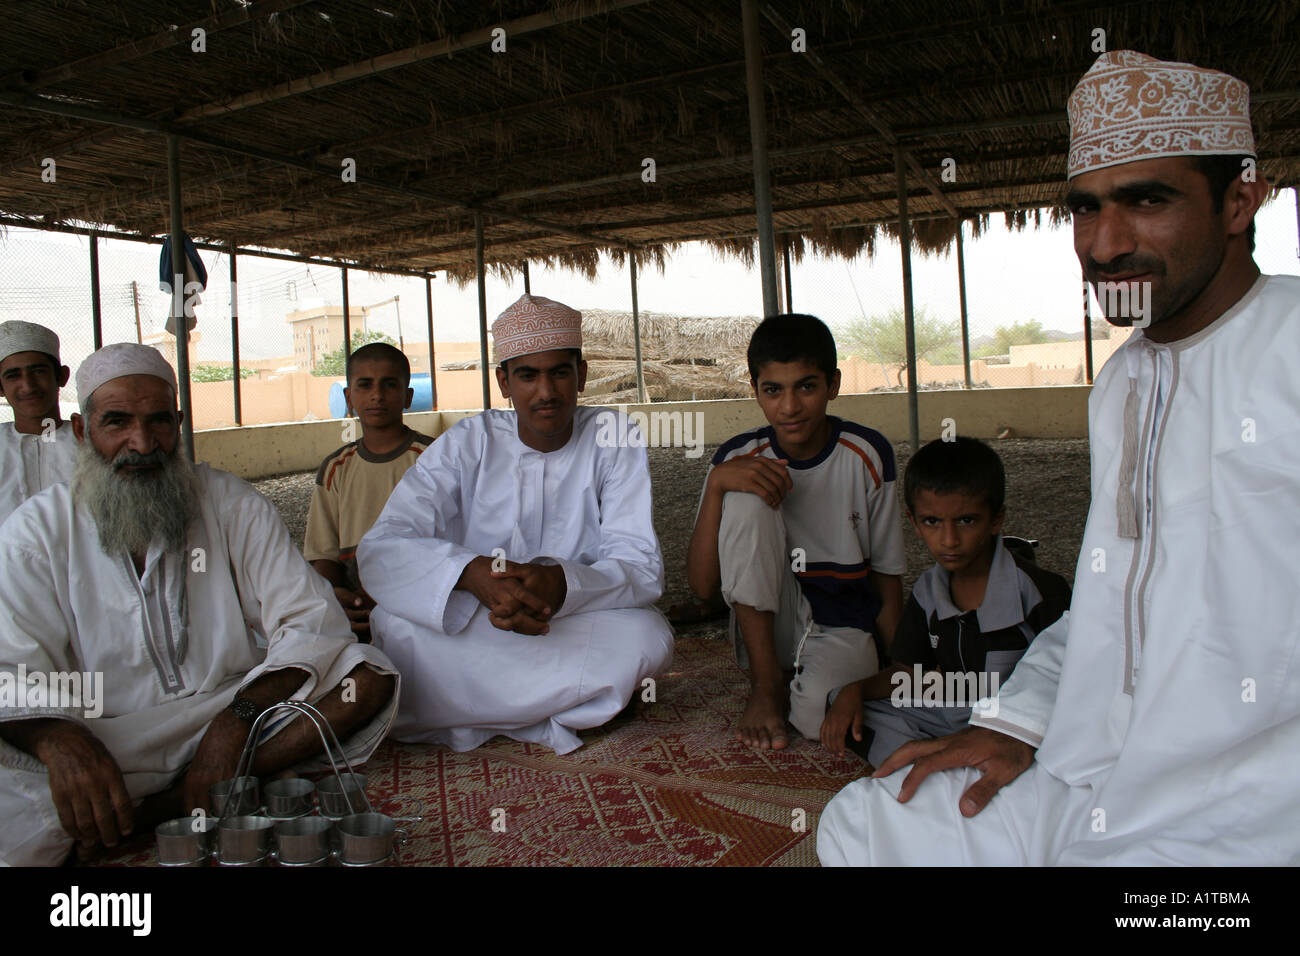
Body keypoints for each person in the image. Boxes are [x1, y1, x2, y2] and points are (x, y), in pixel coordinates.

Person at [818, 50, 1297, 865]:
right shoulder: (1121, 385)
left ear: (1238, 201)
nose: (1106, 244)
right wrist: (1016, 721)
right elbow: (1112, 606)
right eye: (1085, 208)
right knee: (865, 823)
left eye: (1148, 201)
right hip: (1088, 768)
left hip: (1249, 805)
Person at [0, 344, 399, 866]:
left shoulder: (227, 501)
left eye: (159, 421)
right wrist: (59, 740)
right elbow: (11, 666)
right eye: (117, 422)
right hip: (107, 734)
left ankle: (163, 803)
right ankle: (201, 790)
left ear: (180, 423)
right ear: (81, 431)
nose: (142, 443)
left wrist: (230, 728)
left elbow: (310, 619)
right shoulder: (38, 529)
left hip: (234, 711)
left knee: (364, 676)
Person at [357, 294, 673, 755]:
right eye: (527, 375)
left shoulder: (614, 435)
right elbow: (382, 548)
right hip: (475, 619)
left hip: (568, 619)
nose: (545, 392)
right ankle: (569, 706)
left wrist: (562, 585)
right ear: (504, 381)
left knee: (649, 637)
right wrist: (470, 574)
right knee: (394, 625)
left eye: (559, 372)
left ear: (581, 375)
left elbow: (641, 567)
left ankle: (458, 710)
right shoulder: (468, 442)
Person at [685, 313, 905, 752]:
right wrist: (717, 485)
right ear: (755, 390)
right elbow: (704, 588)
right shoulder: (738, 456)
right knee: (745, 491)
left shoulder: (867, 454)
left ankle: (801, 684)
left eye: (806, 386)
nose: (789, 407)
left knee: (820, 720)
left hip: (843, 623)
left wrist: (891, 671)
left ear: (833, 385)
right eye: (773, 390)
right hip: (769, 623)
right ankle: (767, 685)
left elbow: (887, 576)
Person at [843, 437, 1071, 766]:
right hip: (952, 707)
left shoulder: (1040, 591)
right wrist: (858, 691)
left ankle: (943, 763)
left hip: (1013, 724)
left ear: (996, 519)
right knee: (849, 707)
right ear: (914, 523)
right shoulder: (927, 591)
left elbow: (1072, 680)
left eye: (966, 521)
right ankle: (944, 758)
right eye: (932, 522)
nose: (949, 540)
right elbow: (910, 673)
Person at [304, 342, 435, 639]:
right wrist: (336, 596)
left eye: (390, 384)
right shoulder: (336, 469)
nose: (377, 395)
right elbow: (322, 555)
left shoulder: (434, 459)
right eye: (365, 385)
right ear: (349, 397)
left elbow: (454, 544)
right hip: (356, 613)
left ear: (408, 396)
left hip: (420, 608)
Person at [0, 321, 77, 525]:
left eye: (38, 371)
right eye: (13, 375)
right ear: (0, 387)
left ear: (61, 376)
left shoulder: (89, 442)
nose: (28, 386)